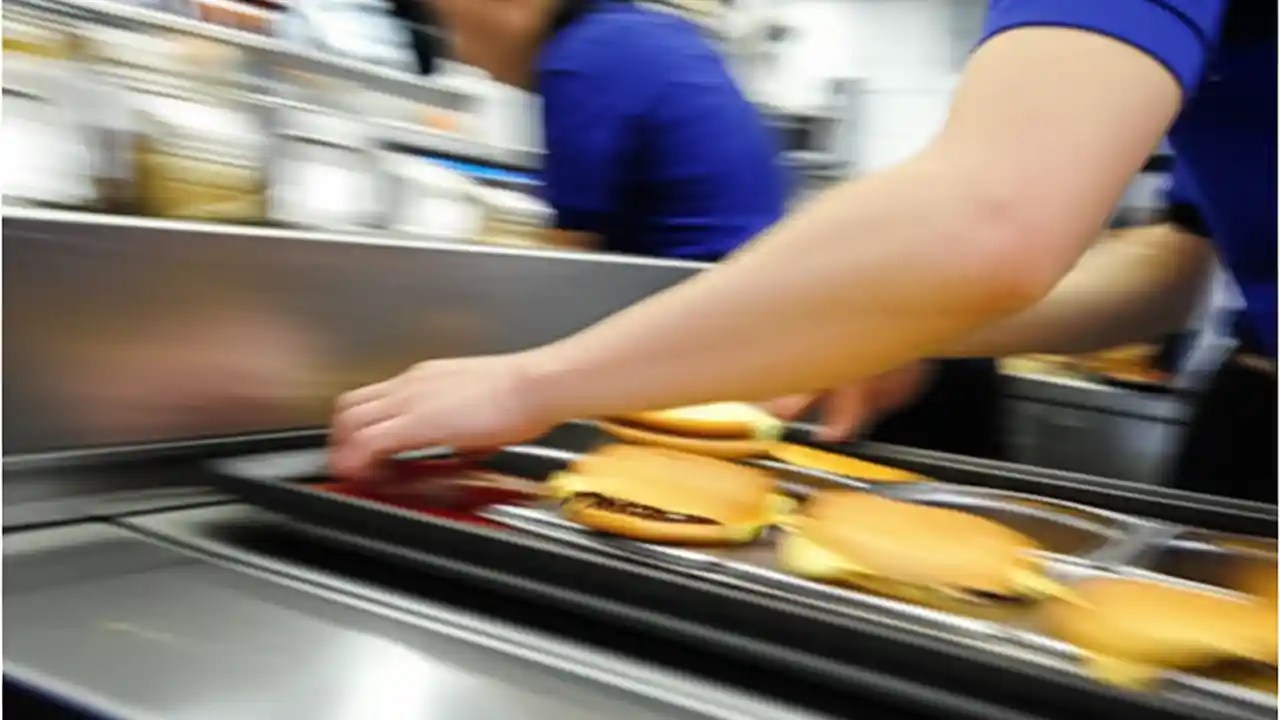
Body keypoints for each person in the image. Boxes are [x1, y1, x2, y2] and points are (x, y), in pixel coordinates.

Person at [331, 1, 1276, 501]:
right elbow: (1168, 268)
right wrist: (902, 324)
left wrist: (523, 385)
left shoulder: (592, 54)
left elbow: (992, 216)